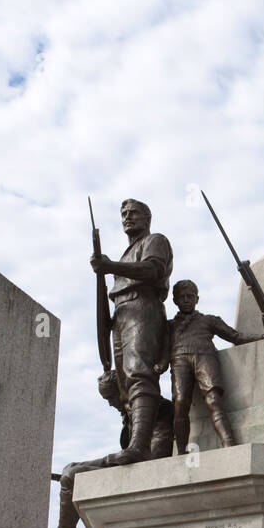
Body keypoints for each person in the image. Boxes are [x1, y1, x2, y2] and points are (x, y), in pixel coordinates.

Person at [45, 372, 174, 528]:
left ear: (124, 389)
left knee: (72, 473)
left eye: (111, 397)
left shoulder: (160, 408)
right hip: (132, 471)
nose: (110, 403)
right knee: (71, 471)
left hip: (151, 474)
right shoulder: (129, 415)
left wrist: (103, 463)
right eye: (106, 399)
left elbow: (153, 458)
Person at [90, 198, 173, 463]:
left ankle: (138, 446)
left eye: (134, 213)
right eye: (124, 213)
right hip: (121, 314)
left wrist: (110, 266)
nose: (127, 217)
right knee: (125, 384)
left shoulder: (156, 240)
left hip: (142, 306)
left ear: (147, 218)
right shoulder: (127, 253)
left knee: (139, 374)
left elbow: (152, 270)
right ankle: (139, 440)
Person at [158, 279, 254, 452]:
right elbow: (164, 351)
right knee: (180, 404)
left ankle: (229, 444)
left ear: (197, 299)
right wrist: (161, 364)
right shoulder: (169, 326)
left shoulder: (209, 320)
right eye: (182, 297)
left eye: (190, 296)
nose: (186, 300)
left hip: (205, 358)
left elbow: (237, 337)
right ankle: (181, 452)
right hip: (179, 362)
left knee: (214, 400)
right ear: (175, 301)